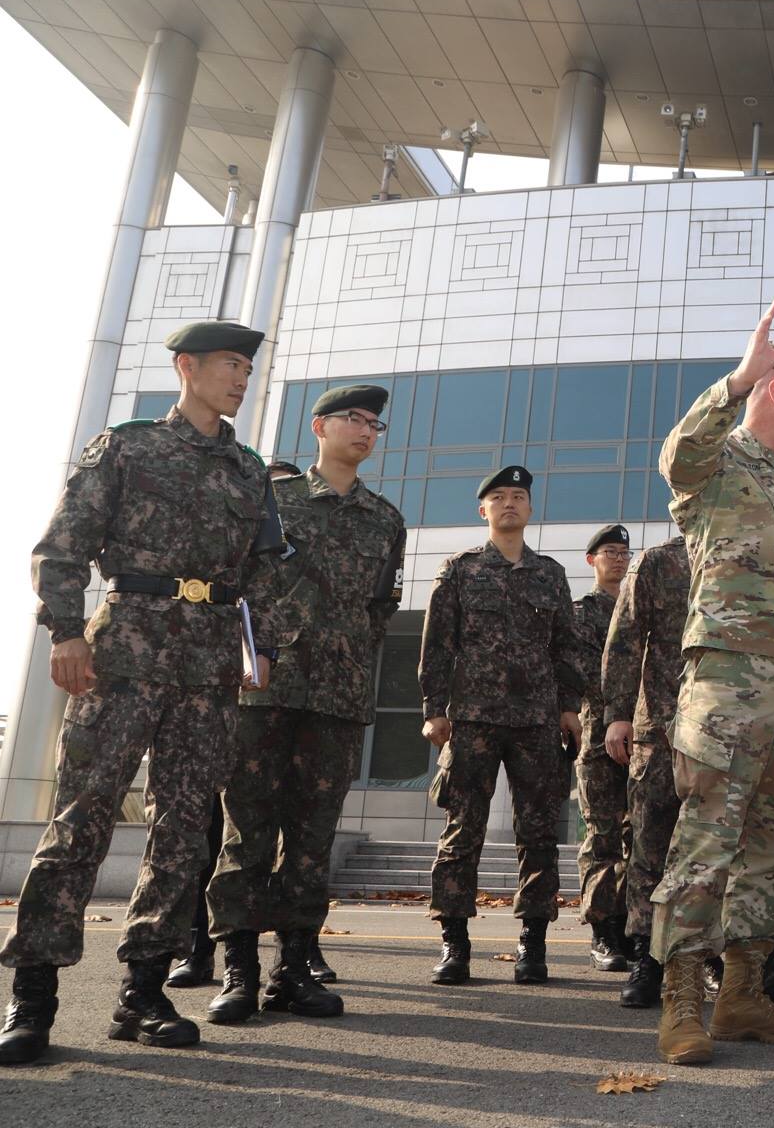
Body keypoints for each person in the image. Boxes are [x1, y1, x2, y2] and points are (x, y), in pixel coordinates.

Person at [1, 321, 282, 1065]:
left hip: (209, 668)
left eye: (247, 370)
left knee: (183, 832)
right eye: (230, 365)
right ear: (187, 366)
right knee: (81, 819)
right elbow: (62, 547)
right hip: (123, 651)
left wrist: (259, 649)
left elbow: (261, 577)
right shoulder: (127, 448)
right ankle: (33, 998)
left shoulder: (249, 470)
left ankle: (143, 993)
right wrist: (67, 632)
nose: (241, 379)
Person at [649, 299, 774, 1066]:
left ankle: (742, 995)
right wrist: (734, 381)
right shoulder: (717, 464)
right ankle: (681, 1002)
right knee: (707, 839)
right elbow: (677, 456)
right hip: (729, 678)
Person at [203, 384, 406, 1026]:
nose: (366, 430)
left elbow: (380, 609)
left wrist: (345, 658)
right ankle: (239, 970)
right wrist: (251, 656)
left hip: (336, 699)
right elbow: (236, 587)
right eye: (354, 419)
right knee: (247, 832)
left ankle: (293, 969)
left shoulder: (386, 519)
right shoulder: (272, 499)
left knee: (313, 839)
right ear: (320, 427)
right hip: (264, 693)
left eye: (375, 424)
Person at [418, 465, 588, 988]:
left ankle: (533, 942)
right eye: (498, 497)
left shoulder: (550, 574)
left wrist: (569, 706)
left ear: (530, 509)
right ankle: (454, 943)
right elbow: (437, 643)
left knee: (538, 833)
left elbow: (566, 645)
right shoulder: (460, 569)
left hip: (536, 721)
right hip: (473, 719)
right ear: (483, 510)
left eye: (518, 496)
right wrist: (434, 708)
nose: (509, 503)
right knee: (462, 831)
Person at [601, 531, 692, 1008]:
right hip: (661, 728)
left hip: (733, 733)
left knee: (726, 853)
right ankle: (646, 959)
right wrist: (617, 713)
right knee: (649, 850)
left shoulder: (749, 555)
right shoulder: (658, 562)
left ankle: (716, 960)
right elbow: (625, 639)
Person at [574, 523, 634, 972]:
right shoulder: (583, 613)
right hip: (598, 739)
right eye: (609, 552)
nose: (618, 559)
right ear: (591, 560)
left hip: (646, 739)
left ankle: (632, 929)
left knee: (642, 839)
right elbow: (586, 673)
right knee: (603, 837)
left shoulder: (641, 608)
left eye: (623, 553)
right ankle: (603, 932)